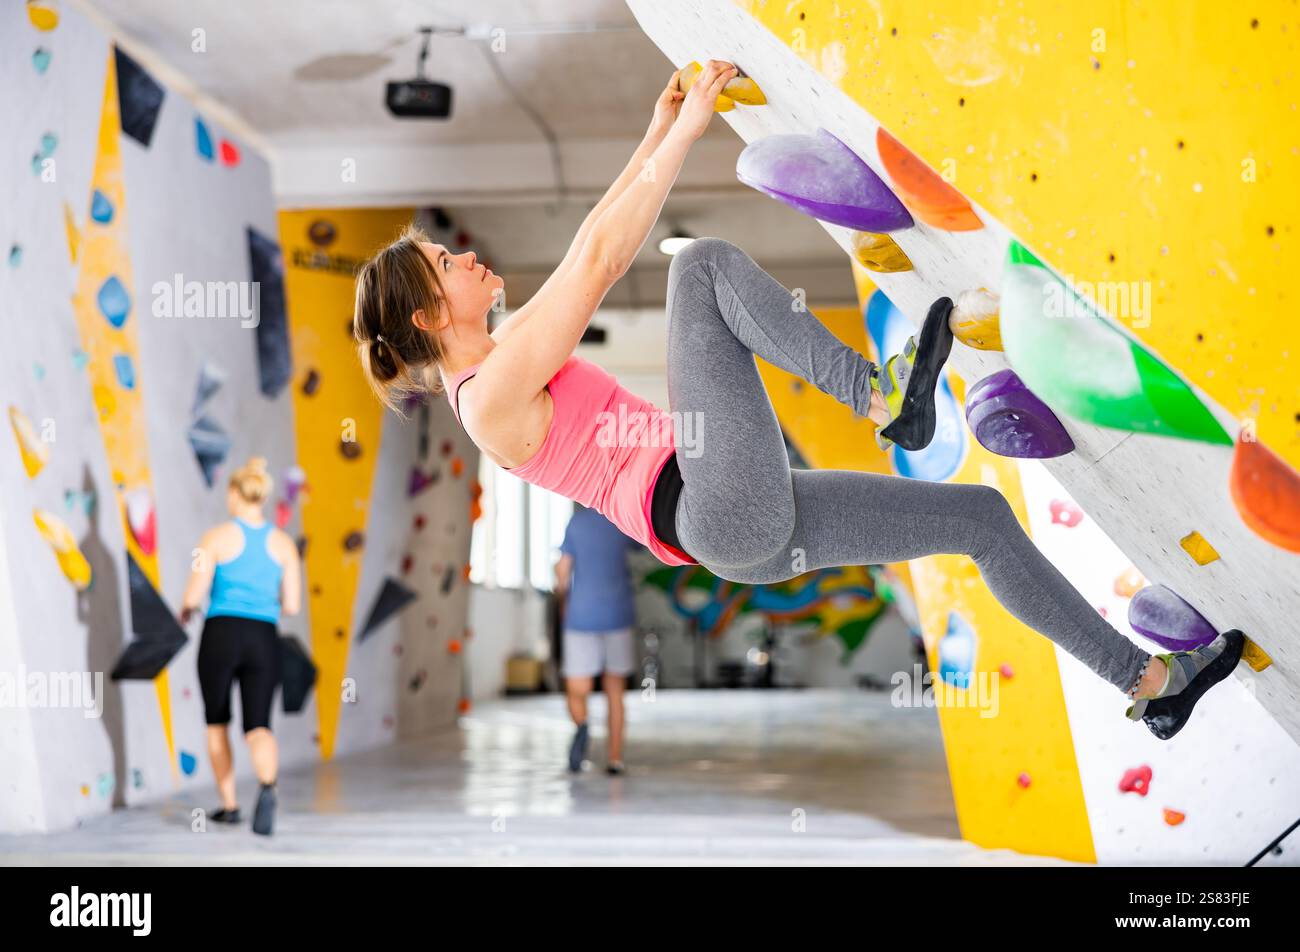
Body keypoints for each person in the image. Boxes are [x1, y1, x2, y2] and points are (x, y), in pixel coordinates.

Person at [350, 61, 1244, 741]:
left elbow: (590, 237)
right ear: (431, 315)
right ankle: (883, 395)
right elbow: (598, 263)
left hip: (743, 522)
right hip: (712, 507)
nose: (464, 258)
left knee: (979, 518)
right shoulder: (489, 395)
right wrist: (692, 129)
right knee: (696, 267)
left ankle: (1150, 688)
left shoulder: (501, 363)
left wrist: (656, 132)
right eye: (445, 263)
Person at [181, 457, 302, 835]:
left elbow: (194, 593)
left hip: (221, 634)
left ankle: (230, 806)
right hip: (263, 637)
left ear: (235, 494)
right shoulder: (284, 544)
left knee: (217, 722)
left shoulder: (214, 538)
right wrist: (263, 603)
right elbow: (293, 605)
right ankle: (267, 788)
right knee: (258, 725)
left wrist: (185, 609)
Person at [554, 504, 640, 775]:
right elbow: (643, 544)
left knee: (578, 688)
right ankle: (615, 760)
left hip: (581, 615)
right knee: (615, 690)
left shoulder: (576, 523)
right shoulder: (621, 518)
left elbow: (562, 570)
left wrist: (563, 602)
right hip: (618, 613)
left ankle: (582, 726)